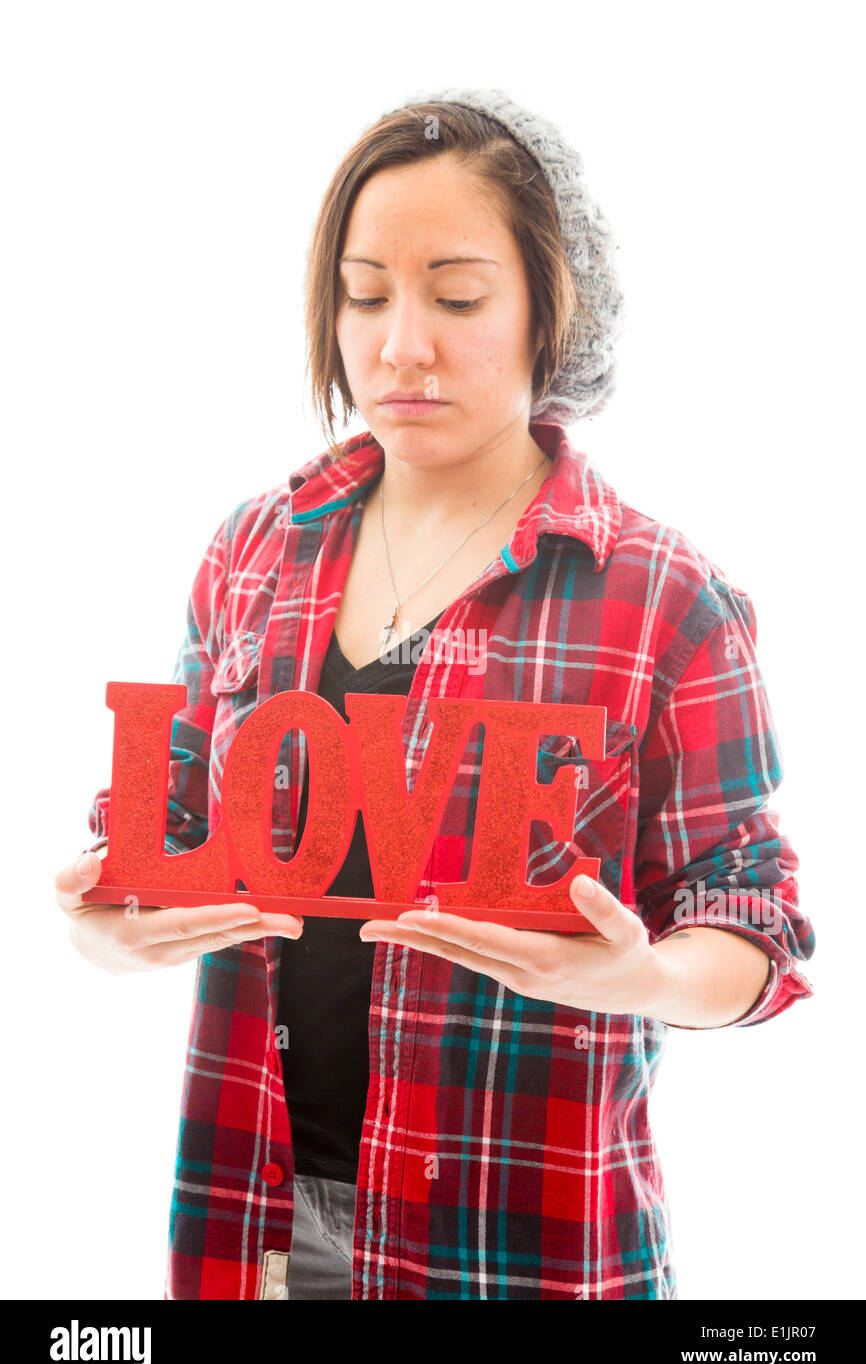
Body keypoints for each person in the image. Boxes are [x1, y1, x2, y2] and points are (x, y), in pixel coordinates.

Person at [55, 87, 815, 1301]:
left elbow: (753, 914)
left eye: (456, 297)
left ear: (547, 314)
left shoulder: (664, 599)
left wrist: (646, 979)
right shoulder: (254, 549)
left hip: (515, 1241)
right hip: (249, 1211)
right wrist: (105, 925)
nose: (398, 345)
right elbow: (175, 827)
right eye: (364, 294)